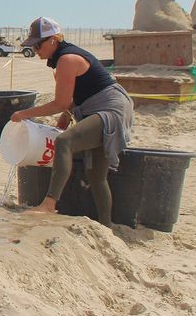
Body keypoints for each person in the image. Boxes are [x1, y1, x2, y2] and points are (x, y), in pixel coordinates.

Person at [9, 17, 134, 227]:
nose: (35, 50)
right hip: (101, 108)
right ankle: (107, 226)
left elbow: (60, 103)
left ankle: (49, 204)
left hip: (110, 110)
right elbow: (71, 101)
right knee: (96, 176)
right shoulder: (62, 60)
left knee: (65, 142)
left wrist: (23, 114)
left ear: (52, 40)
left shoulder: (67, 59)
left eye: (38, 45)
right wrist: (61, 124)